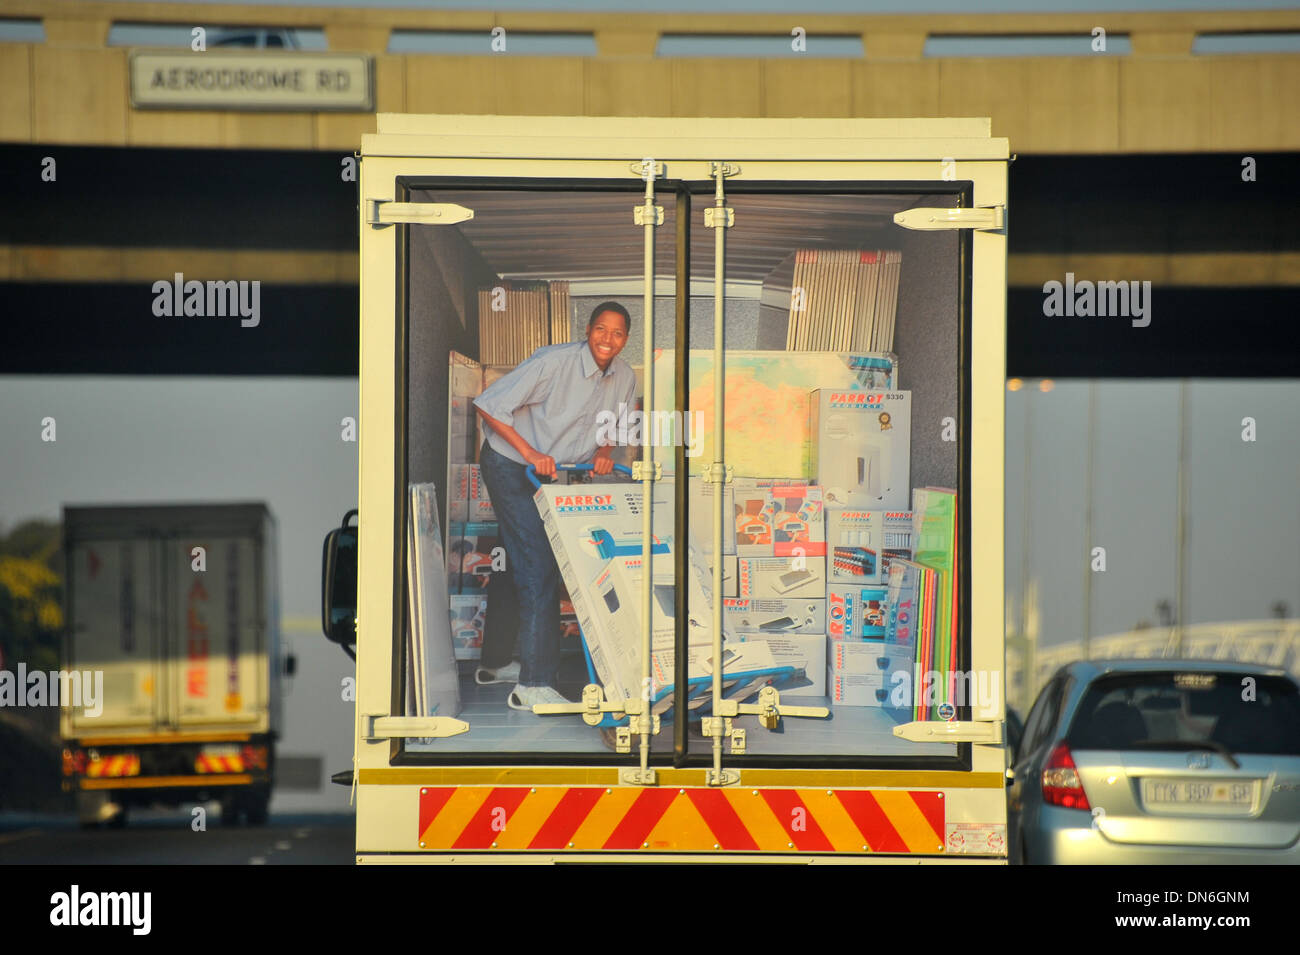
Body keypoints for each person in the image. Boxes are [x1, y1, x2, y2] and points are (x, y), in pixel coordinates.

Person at [472, 302, 636, 711]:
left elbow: (614, 427)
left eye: (617, 333)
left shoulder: (625, 377)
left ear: (625, 339)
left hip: (556, 473)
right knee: (538, 564)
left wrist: (603, 452)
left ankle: (496, 663)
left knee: (520, 560)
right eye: (601, 329)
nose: (607, 339)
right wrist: (530, 453)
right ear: (588, 329)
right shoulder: (553, 362)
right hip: (511, 464)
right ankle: (533, 684)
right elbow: (488, 405)